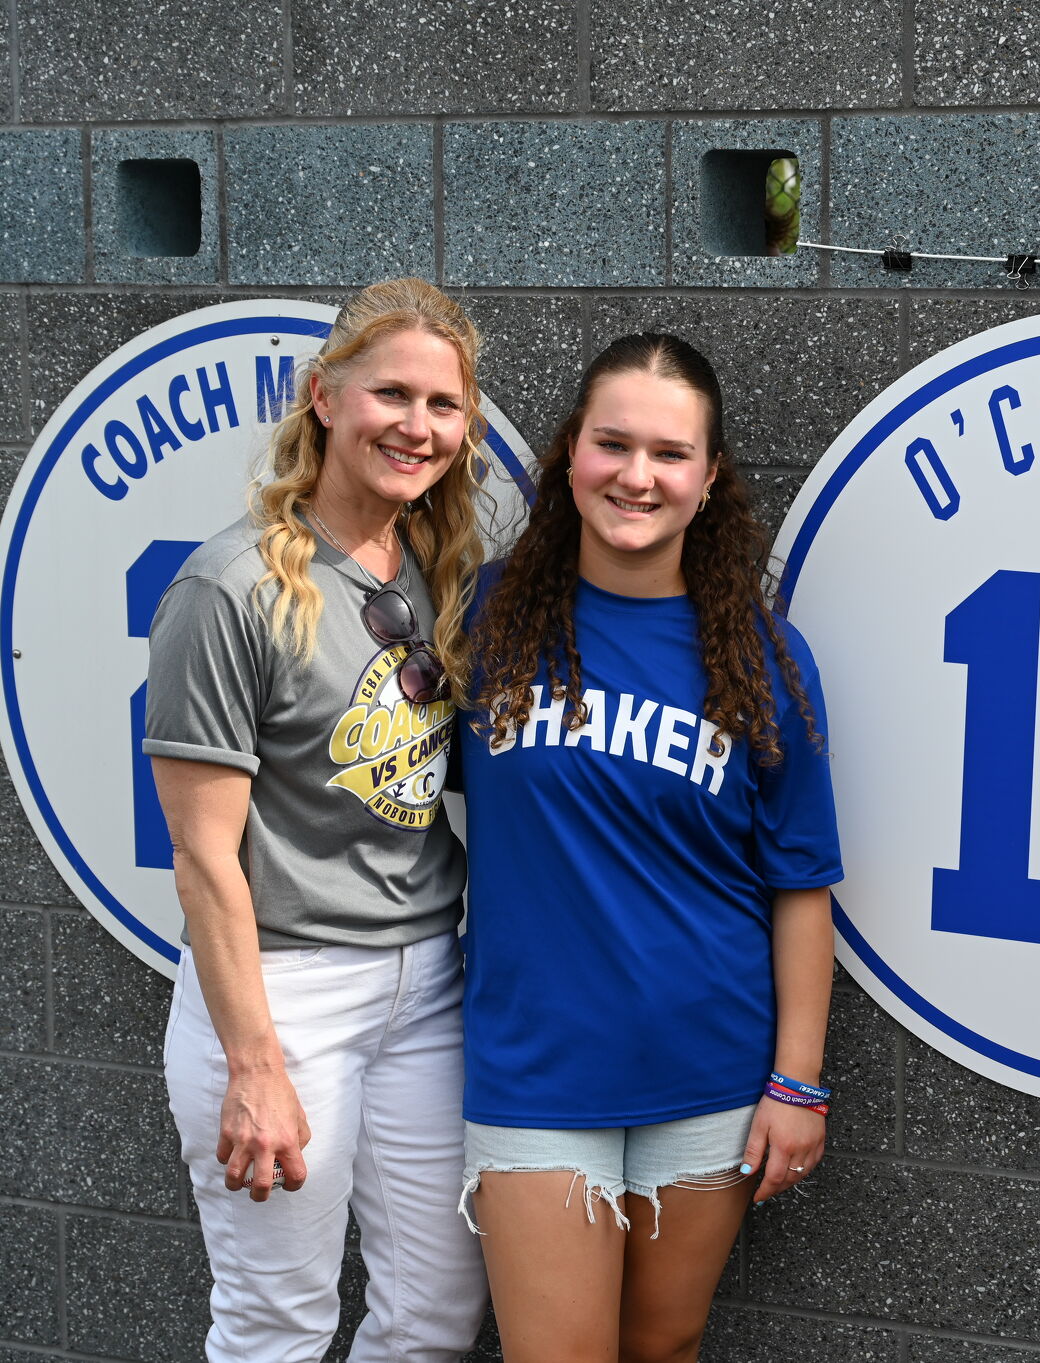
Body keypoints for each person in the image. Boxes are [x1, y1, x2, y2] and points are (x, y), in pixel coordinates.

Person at [456, 333, 841, 1363]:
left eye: (669, 454)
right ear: (567, 455)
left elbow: (799, 884)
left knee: (663, 1347)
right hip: (534, 1067)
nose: (637, 476)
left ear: (708, 479)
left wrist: (796, 1082)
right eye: (611, 444)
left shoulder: (762, 657)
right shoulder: (485, 618)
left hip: (709, 1069)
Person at [147, 277, 492, 1360]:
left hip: (426, 983)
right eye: (391, 392)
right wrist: (255, 1064)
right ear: (323, 398)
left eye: (443, 406)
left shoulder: (441, 571)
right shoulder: (231, 588)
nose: (417, 425)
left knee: (436, 1314)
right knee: (276, 1324)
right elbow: (204, 859)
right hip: (283, 996)